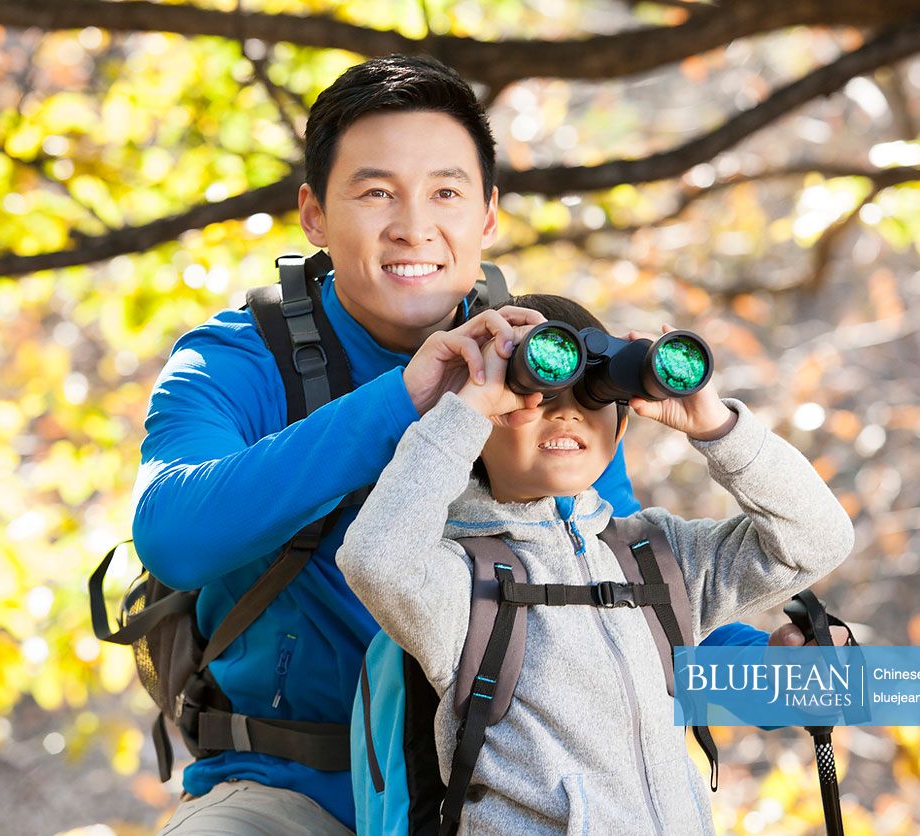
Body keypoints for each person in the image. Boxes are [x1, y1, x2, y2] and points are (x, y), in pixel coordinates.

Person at [133, 54, 809, 835]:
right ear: (313, 214)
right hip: (293, 791)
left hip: (501, 793)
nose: (414, 226)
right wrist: (410, 398)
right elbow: (172, 538)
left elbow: (610, 591)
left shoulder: (549, 364)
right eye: (376, 191)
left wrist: (764, 676)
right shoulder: (236, 361)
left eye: (445, 193)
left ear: (487, 216)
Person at [336, 293, 855, 834]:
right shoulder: (463, 581)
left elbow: (817, 538)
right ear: (479, 429)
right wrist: (463, 411)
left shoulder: (657, 557)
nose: (566, 411)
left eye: (593, 393)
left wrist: (716, 425)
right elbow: (375, 560)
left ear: (621, 424)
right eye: (529, 393)